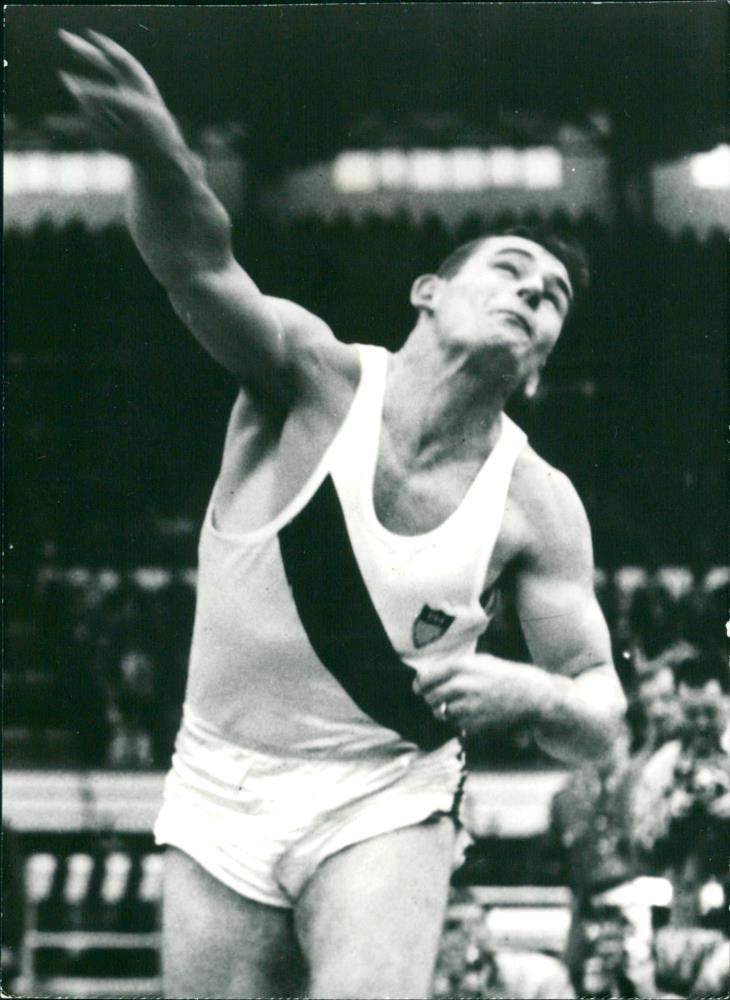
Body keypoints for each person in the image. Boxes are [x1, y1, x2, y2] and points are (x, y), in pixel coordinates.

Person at [59, 30, 626, 999]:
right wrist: (161, 156)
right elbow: (197, 265)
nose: (535, 289)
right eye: (510, 268)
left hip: (384, 790)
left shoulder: (536, 503)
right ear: (428, 293)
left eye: (554, 297)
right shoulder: (311, 377)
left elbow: (599, 712)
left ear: (539, 367)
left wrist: (533, 695)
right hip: (223, 780)